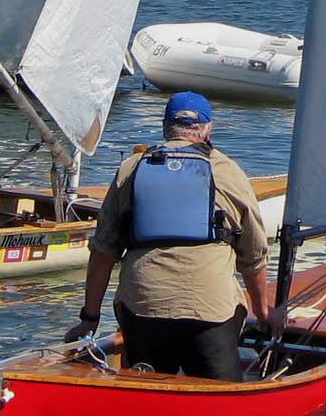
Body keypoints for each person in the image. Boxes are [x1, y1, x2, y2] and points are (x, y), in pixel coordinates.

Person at [63, 91, 284, 380]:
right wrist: (263, 311)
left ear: (166, 127)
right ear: (207, 129)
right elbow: (253, 255)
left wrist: (89, 320)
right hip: (209, 310)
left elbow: (103, 253)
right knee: (220, 396)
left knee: (144, 388)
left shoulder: (132, 168)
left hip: (143, 307)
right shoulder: (229, 171)